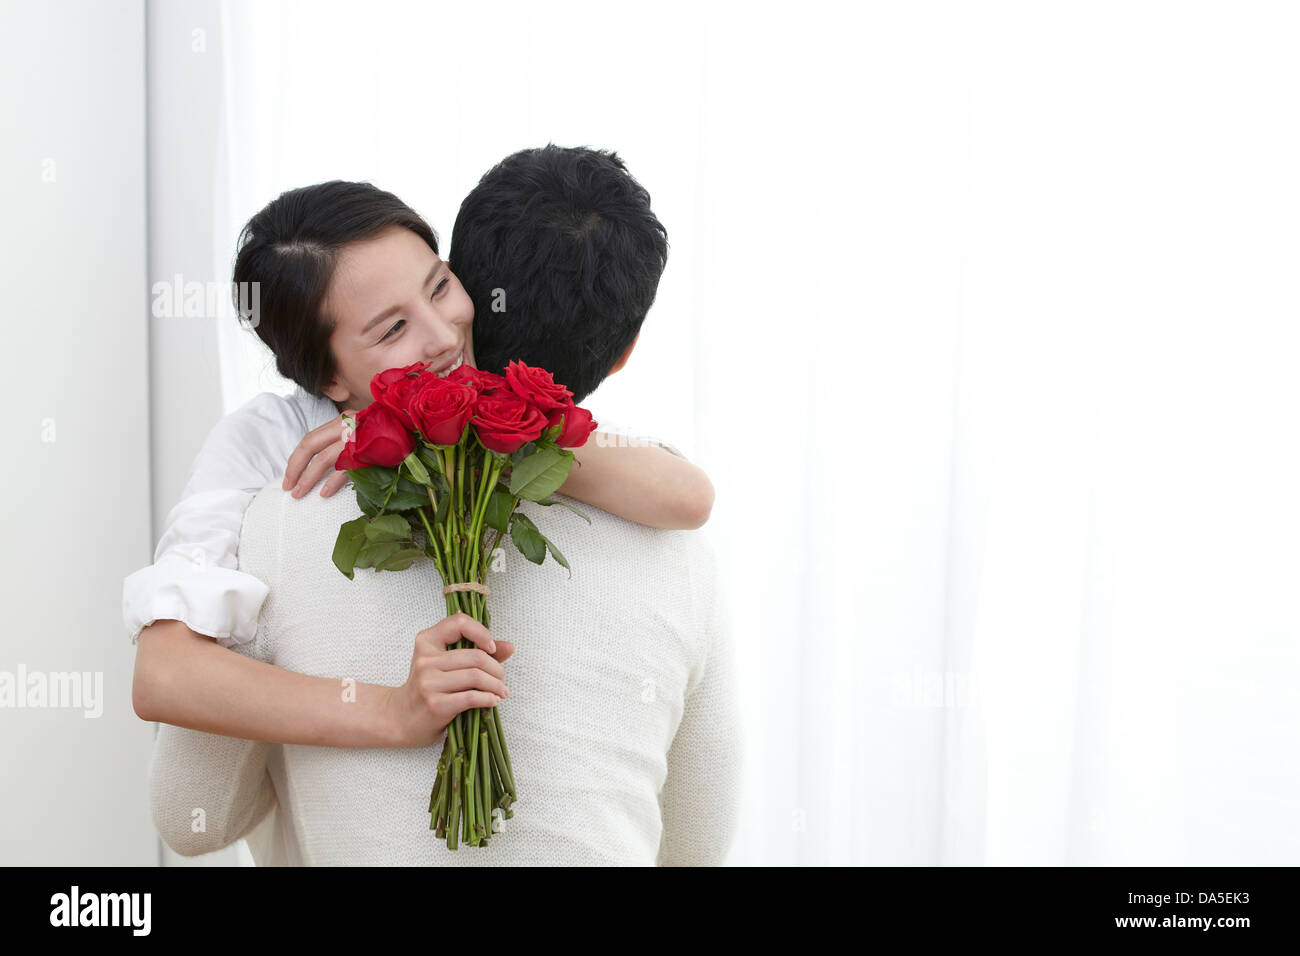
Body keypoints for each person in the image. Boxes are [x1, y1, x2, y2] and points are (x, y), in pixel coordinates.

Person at [148, 146, 742, 865]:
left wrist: (440, 422)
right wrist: (390, 712)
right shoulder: (270, 466)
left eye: (439, 287)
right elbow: (165, 675)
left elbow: (691, 496)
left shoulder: (577, 457)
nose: (442, 335)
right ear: (324, 377)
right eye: (390, 329)